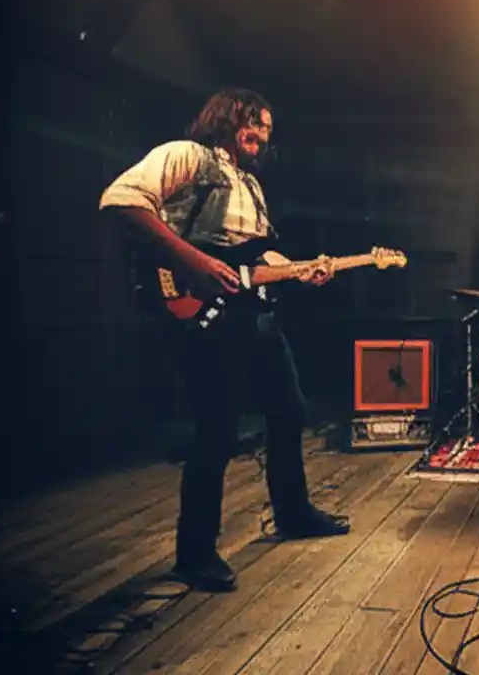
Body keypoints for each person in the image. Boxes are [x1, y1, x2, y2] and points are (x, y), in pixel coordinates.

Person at [99, 88, 350, 593]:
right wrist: (194, 262)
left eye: (267, 129)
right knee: (216, 426)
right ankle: (194, 554)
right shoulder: (186, 156)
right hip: (196, 308)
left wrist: (299, 271)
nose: (261, 133)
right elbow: (119, 199)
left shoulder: (251, 187)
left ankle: (293, 513)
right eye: (252, 122)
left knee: (289, 409)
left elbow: (257, 259)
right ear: (226, 118)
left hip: (249, 312)